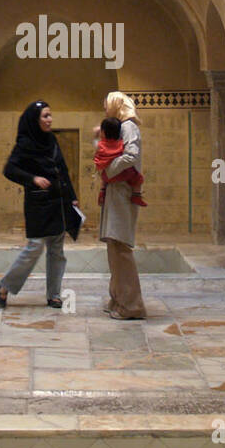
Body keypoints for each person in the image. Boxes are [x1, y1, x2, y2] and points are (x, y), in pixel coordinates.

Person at [0, 100, 80, 310]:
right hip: (38, 204)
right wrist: (33, 179)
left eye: (50, 115)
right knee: (35, 247)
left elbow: (62, 169)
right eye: (45, 116)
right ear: (35, 119)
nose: (50, 120)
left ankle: (54, 295)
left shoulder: (51, 140)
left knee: (57, 251)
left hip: (57, 202)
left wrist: (72, 196)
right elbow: (9, 170)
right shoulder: (25, 143)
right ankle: (4, 285)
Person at [99, 91, 147, 320]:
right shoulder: (122, 126)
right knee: (114, 245)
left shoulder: (129, 126)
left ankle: (132, 305)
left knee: (121, 247)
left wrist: (108, 170)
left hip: (122, 192)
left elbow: (131, 156)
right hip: (116, 191)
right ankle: (119, 298)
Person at [93, 116, 147, 206]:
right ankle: (136, 195)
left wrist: (95, 136)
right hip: (123, 175)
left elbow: (95, 145)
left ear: (103, 132)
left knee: (103, 176)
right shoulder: (120, 144)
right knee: (138, 177)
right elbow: (129, 155)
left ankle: (102, 190)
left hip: (106, 176)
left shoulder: (101, 145)